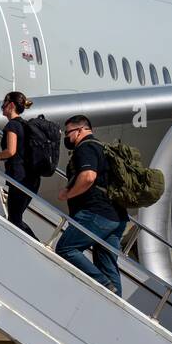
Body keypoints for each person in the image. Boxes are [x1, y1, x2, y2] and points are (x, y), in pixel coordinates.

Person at [55, 114, 127, 294]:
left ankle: (103, 285)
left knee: (66, 248)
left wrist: (68, 193)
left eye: (68, 133)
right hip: (117, 217)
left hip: (96, 213)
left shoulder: (85, 148)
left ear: (80, 130)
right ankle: (114, 306)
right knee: (107, 264)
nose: (66, 138)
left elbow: (88, 177)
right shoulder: (102, 148)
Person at [0, 92, 39, 239]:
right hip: (31, 178)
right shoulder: (24, 125)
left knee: (15, 219)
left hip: (19, 179)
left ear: (11, 105)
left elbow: (11, 151)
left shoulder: (12, 126)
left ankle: (39, 249)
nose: (1, 106)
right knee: (16, 218)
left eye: (4, 103)